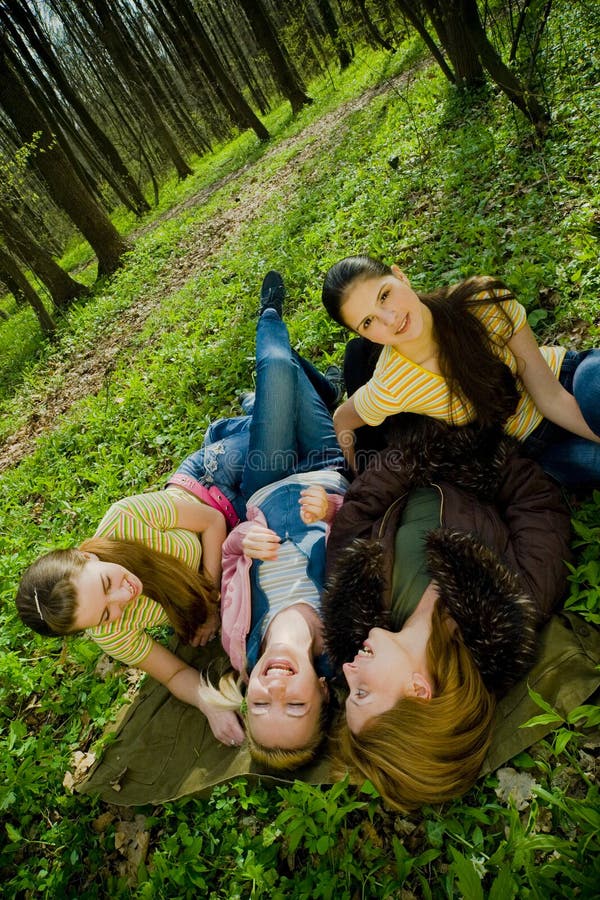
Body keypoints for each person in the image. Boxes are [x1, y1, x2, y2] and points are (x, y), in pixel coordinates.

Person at [15, 273, 344, 752]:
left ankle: (267, 322)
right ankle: (298, 399)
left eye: (107, 584)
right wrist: (209, 701)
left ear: (87, 555)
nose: (122, 600)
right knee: (292, 413)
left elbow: (212, 523)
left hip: (213, 488)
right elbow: (172, 673)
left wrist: (210, 597)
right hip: (252, 509)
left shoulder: (124, 520)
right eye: (105, 615)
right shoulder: (114, 632)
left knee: (276, 389)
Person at [321, 417, 573, 810]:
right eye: (362, 692)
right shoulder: (515, 606)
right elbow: (536, 504)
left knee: (362, 360)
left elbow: (355, 516)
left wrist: (411, 454)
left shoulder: (355, 608)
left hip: (390, 443)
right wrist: (474, 451)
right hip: (480, 431)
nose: (347, 671)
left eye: (349, 691)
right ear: (420, 692)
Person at [198, 272, 350, 770]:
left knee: (278, 367)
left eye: (261, 703)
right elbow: (371, 537)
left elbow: (228, 560)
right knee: (297, 384)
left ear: (246, 690)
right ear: (324, 693)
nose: (277, 687)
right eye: (295, 704)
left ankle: (270, 316)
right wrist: (331, 511)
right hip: (327, 469)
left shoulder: (239, 639)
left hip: (264, 480)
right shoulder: (351, 631)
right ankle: (319, 392)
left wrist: (244, 538)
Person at [322, 255, 600, 484]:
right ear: (364, 336)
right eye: (368, 322)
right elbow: (342, 419)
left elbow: (550, 397)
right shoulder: (392, 385)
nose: (390, 318)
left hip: (562, 381)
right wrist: (353, 477)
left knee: (593, 384)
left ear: (400, 275)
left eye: (384, 295)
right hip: (536, 446)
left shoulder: (483, 301)